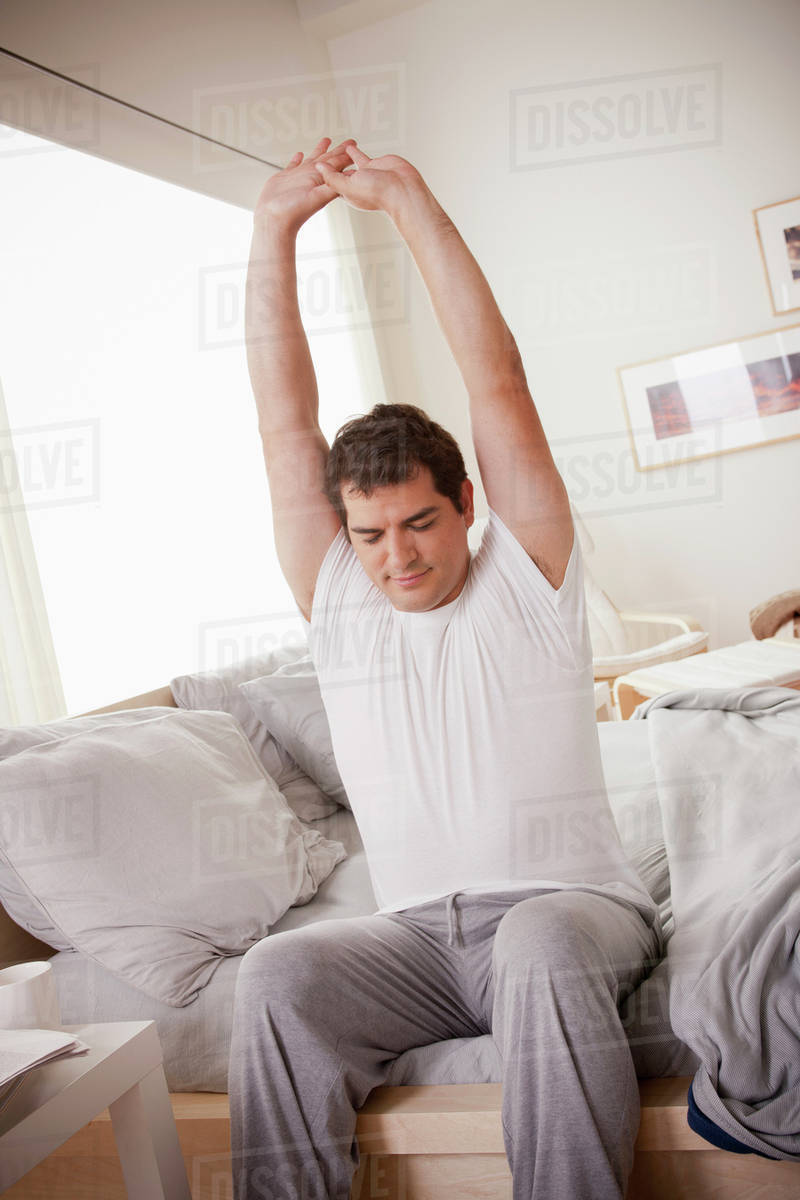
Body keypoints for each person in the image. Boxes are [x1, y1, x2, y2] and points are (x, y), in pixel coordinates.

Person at [228, 135, 661, 1200]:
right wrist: (270, 230)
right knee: (276, 974)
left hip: (568, 908)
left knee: (539, 943)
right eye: (370, 535)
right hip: (414, 942)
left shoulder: (527, 577)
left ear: (464, 505)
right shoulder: (339, 600)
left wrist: (412, 205)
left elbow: (494, 378)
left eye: (419, 523)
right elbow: (284, 424)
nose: (398, 556)